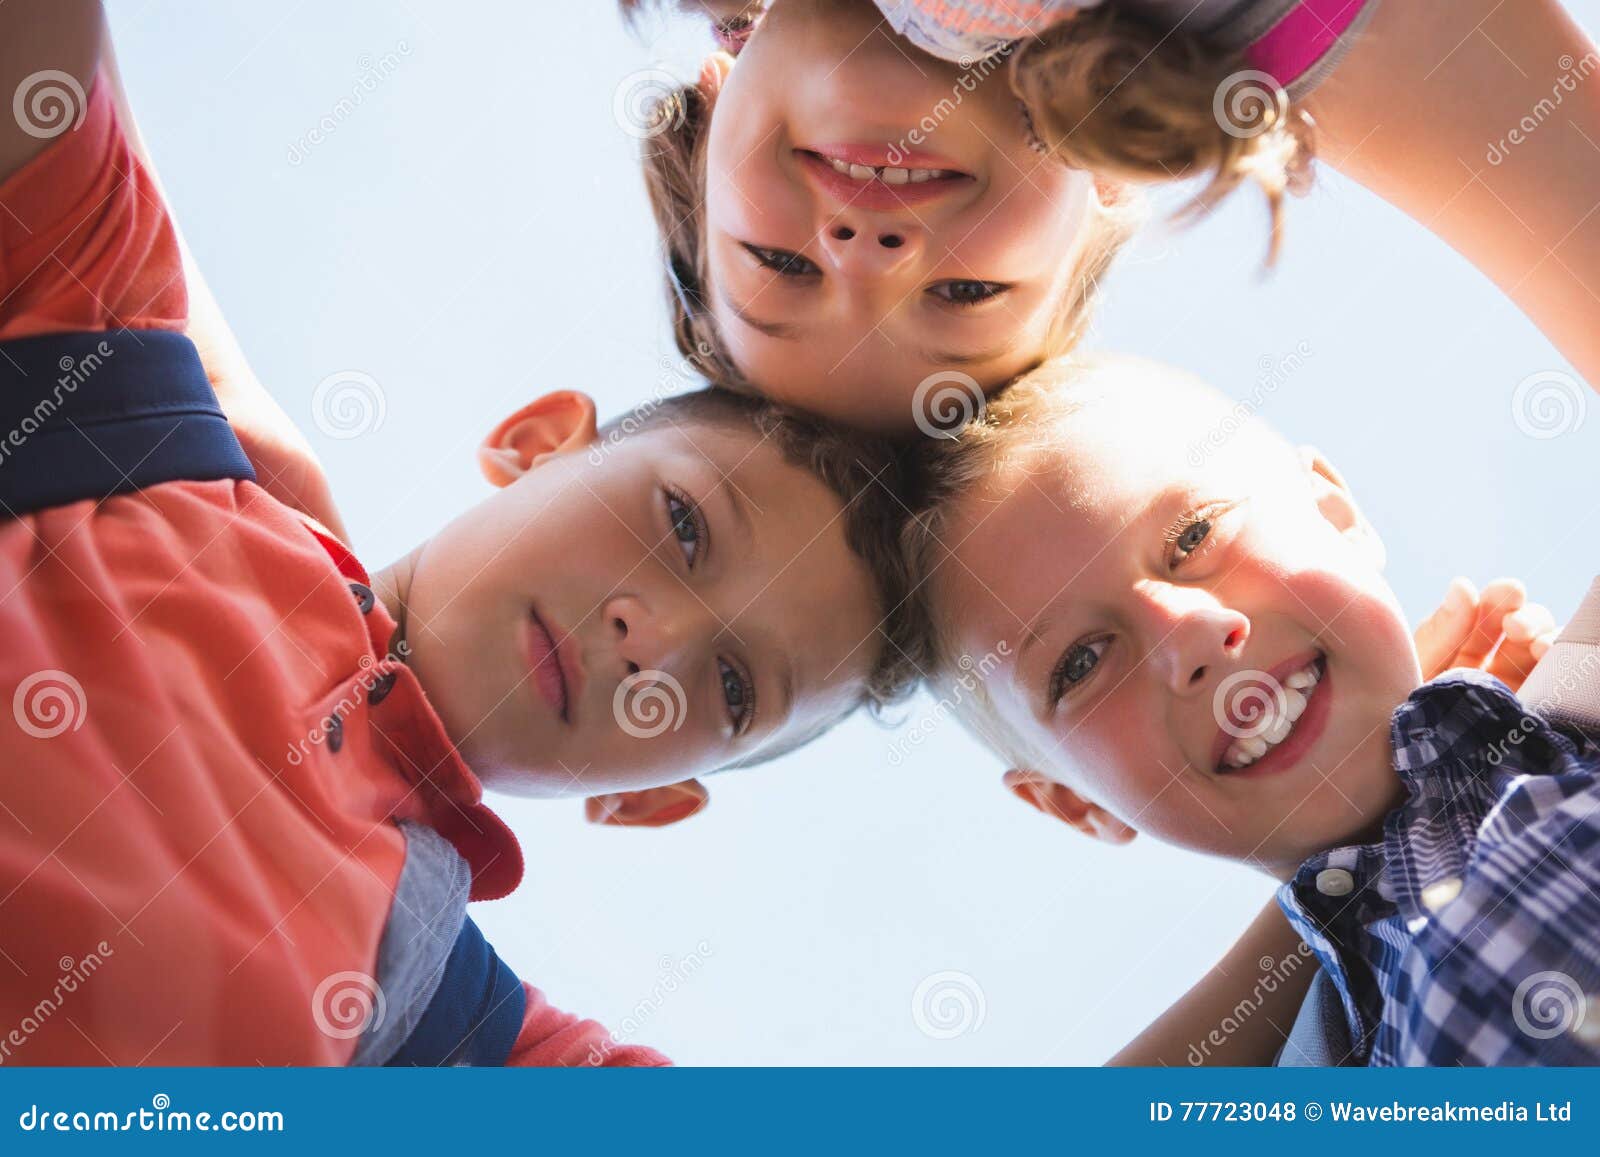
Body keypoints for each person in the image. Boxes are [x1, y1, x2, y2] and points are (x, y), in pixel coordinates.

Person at [0, 0, 927, 1065]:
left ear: (645, 800)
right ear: (538, 440)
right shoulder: (111, 386)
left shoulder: (460, 1049)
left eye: (729, 686)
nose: (652, 636)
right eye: (680, 523)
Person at [901, 353, 1596, 1064]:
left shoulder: (1580, 698)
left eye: (1195, 535)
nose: (1187, 634)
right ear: (1076, 803)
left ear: (1333, 511)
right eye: (1080, 661)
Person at [628, 0, 1600, 431]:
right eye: (962, 295)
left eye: (780, 268)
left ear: (712, 101)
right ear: (1108, 186)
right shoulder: (1280, 37)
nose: (867, 254)